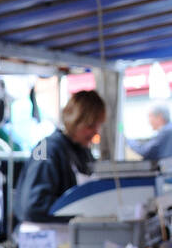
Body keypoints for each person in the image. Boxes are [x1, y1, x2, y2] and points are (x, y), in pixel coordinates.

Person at [14, 90, 106, 223]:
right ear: (75, 120)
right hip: (42, 232)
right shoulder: (47, 150)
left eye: (98, 126)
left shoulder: (83, 152)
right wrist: (79, 211)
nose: (95, 132)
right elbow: (34, 205)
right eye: (90, 126)